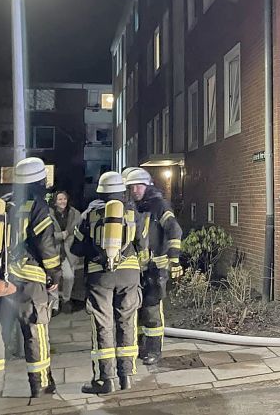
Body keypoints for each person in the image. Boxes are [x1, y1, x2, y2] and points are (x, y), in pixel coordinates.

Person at [0, 157, 60, 403]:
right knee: (35, 331)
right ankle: (40, 385)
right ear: (40, 181)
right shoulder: (37, 206)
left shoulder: (2, 203)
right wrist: (54, 274)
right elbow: (46, 246)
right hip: (28, 282)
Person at [71, 171, 145, 394]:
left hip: (100, 276)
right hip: (129, 275)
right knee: (127, 322)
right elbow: (143, 245)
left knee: (103, 325)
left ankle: (106, 379)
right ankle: (127, 376)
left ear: (100, 192)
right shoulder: (133, 213)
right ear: (122, 191)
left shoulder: (90, 214)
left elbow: (76, 248)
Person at [125, 168, 182, 365]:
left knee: (151, 309)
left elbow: (174, 229)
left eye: (138, 186)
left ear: (147, 186)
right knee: (137, 309)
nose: (135, 190)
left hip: (156, 268)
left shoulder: (159, 205)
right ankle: (141, 346)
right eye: (131, 187)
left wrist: (174, 258)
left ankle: (154, 350)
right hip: (136, 268)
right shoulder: (132, 207)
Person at [49, 190, 83, 315]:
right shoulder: (48, 214)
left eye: (64, 199)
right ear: (54, 202)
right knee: (54, 277)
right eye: (59, 199)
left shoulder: (74, 213)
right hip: (53, 250)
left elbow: (79, 231)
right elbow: (46, 234)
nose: (63, 201)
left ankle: (66, 299)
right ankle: (54, 305)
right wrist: (60, 235)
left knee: (69, 276)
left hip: (69, 250)